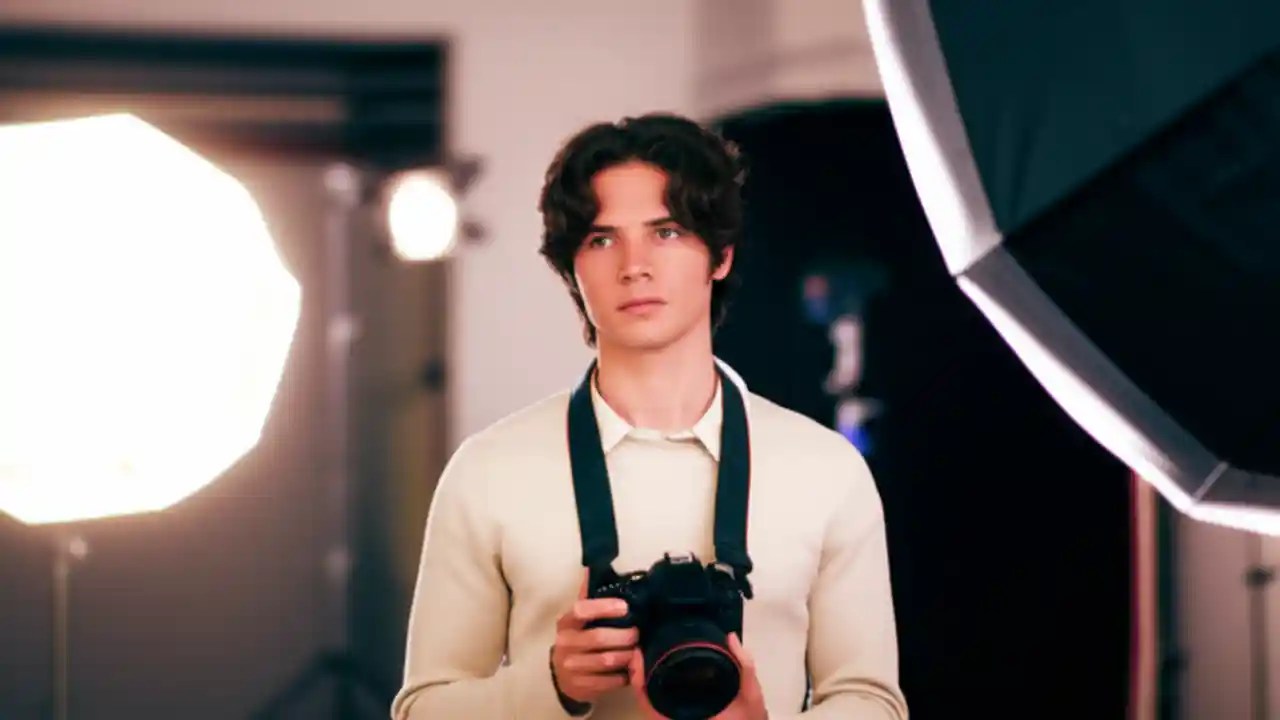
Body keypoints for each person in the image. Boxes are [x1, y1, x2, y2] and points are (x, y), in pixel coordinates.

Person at [390, 113, 909, 720]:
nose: (634, 265)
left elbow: (873, 702)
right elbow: (421, 709)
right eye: (601, 239)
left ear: (720, 256)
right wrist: (552, 685)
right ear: (572, 270)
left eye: (665, 232)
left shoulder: (827, 470)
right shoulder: (488, 471)